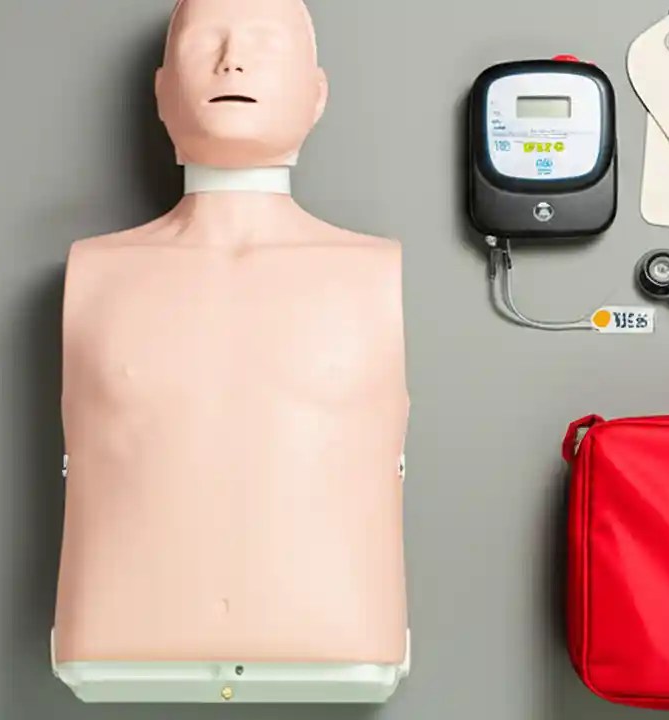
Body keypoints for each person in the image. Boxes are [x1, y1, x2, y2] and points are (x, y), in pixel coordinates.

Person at [52, 0, 409, 702]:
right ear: (160, 90)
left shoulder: (372, 270)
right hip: (114, 641)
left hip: (343, 640)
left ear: (317, 93)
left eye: (262, 44)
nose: (232, 62)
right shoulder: (95, 270)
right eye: (207, 43)